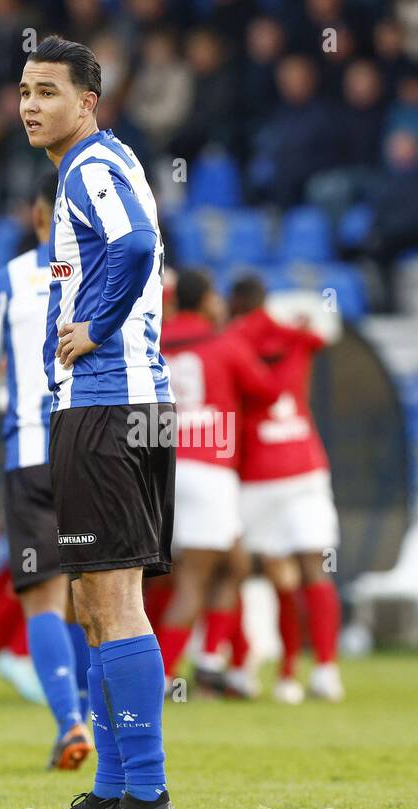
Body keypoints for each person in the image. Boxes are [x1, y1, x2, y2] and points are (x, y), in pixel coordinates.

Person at [20, 36, 177, 809]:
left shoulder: (90, 168)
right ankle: (117, 791)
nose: (30, 105)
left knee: (111, 599)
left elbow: (138, 246)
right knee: (93, 598)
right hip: (122, 407)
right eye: (24, 91)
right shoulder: (101, 164)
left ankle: (145, 793)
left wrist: (94, 324)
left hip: (112, 405)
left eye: (48, 91)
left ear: (88, 101)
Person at [0, 170, 94, 771]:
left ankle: (69, 723)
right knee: (99, 599)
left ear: (37, 215)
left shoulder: (7, 280)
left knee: (43, 602)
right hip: (96, 455)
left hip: (33, 457)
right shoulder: (108, 274)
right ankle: (105, 729)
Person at [156, 268, 292, 698]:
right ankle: (160, 678)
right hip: (209, 468)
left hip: (164, 464)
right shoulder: (223, 341)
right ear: (208, 299)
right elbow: (268, 391)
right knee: (194, 580)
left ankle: (214, 661)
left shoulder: (156, 340)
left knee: (233, 563)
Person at [227, 276, 344, 704]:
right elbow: (326, 329)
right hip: (304, 463)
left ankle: (289, 672)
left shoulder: (232, 338)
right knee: (316, 568)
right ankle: (327, 669)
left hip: (259, 473)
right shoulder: (293, 334)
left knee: (281, 576)